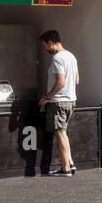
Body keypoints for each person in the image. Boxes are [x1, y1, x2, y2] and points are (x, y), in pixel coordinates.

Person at [37, 30, 80, 177]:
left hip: (58, 102)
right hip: (71, 100)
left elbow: (60, 82)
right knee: (63, 133)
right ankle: (70, 164)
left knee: (60, 134)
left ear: (51, 43)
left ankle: (65, 168)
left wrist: (47, 98)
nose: (45, 49)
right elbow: (76, 80)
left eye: (45, 45)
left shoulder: (57, 58)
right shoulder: (71, 56)